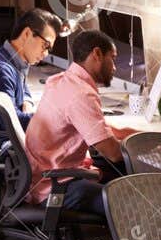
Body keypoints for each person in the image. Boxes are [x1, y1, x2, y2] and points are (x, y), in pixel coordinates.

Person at [23, 29, 136, 214]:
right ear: (97, 54)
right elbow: (113, 153)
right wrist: (147, 148)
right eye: (113, 58)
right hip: (54, 187)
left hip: (40, 178)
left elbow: (103, 129)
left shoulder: (60, 80)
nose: (114, 68)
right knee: (132, 203)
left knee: (117, 175)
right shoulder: (82, 94)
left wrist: (148, 135)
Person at [0, 8, 61, 163]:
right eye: (45, 45)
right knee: (63, 148)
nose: (46, 54)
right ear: (27, 33)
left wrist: (27, 102)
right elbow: (13, 122)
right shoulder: (1, 70)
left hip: (5, 139)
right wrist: (54, 119)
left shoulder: (14, 60)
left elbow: (24, 89)